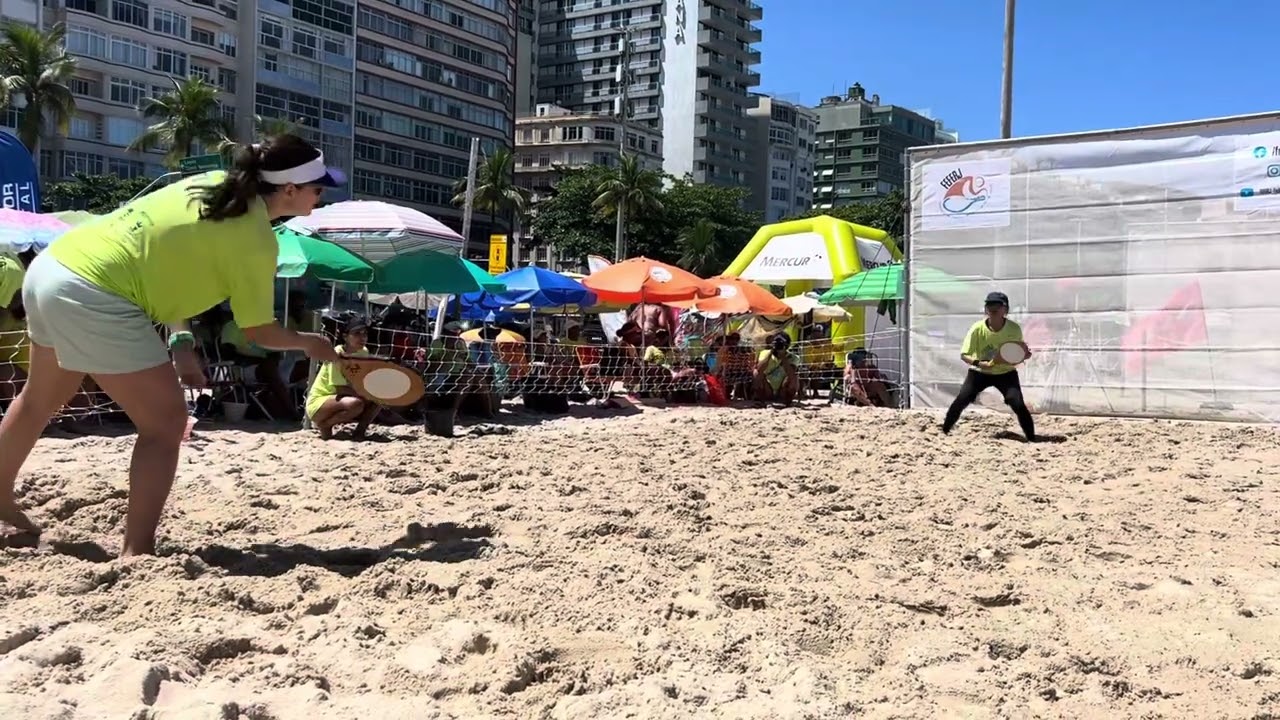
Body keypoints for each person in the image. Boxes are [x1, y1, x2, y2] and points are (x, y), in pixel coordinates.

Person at [0, 134, 343, 554]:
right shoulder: (255, 241)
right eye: (318, 188)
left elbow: (160, 258)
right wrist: (310, 343)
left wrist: (181, 342)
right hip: (94, 291)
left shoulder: (212, 185)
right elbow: (260, 332)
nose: (321, 196)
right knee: (165, 425)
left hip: (53, 266)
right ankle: (137, 550)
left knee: (39, 400)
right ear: (289, 190)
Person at [941, 291, 1037, 441]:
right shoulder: (977, 329)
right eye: (989, 305)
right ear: (986, 309)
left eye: (997, 305)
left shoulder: (1013, 329)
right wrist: (980, 363)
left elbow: (1016, 353)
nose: (993, 308)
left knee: (1017, 403)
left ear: (1005, 310)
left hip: (1005, 373)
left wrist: (1023, 355)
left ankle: (1032, 438)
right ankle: (944, 431)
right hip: (979, 373)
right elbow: (964, 355)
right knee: (962, 399)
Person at [306, 317, 380, 440]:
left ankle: (359, 432)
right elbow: (339, 388)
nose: (362, 338)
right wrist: (365, 393)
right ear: (345, 337)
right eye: (357, 334)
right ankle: (324, 425)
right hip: (320, 402)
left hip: (341, 400)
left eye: (365, 334)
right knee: (356, 403)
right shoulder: (337, 354)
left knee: (379, 397)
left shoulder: (363, 352)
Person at [754, 332, 800, 406]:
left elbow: (791, 374)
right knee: (756, 373)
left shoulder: (793, 357)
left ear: (787, 345)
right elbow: (759, 369)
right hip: (767, 388)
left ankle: (786, 401)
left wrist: (783, 356)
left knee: (794, 377)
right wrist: (771, 352)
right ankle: (762, 399)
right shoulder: (764, 353)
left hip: (783, 390)